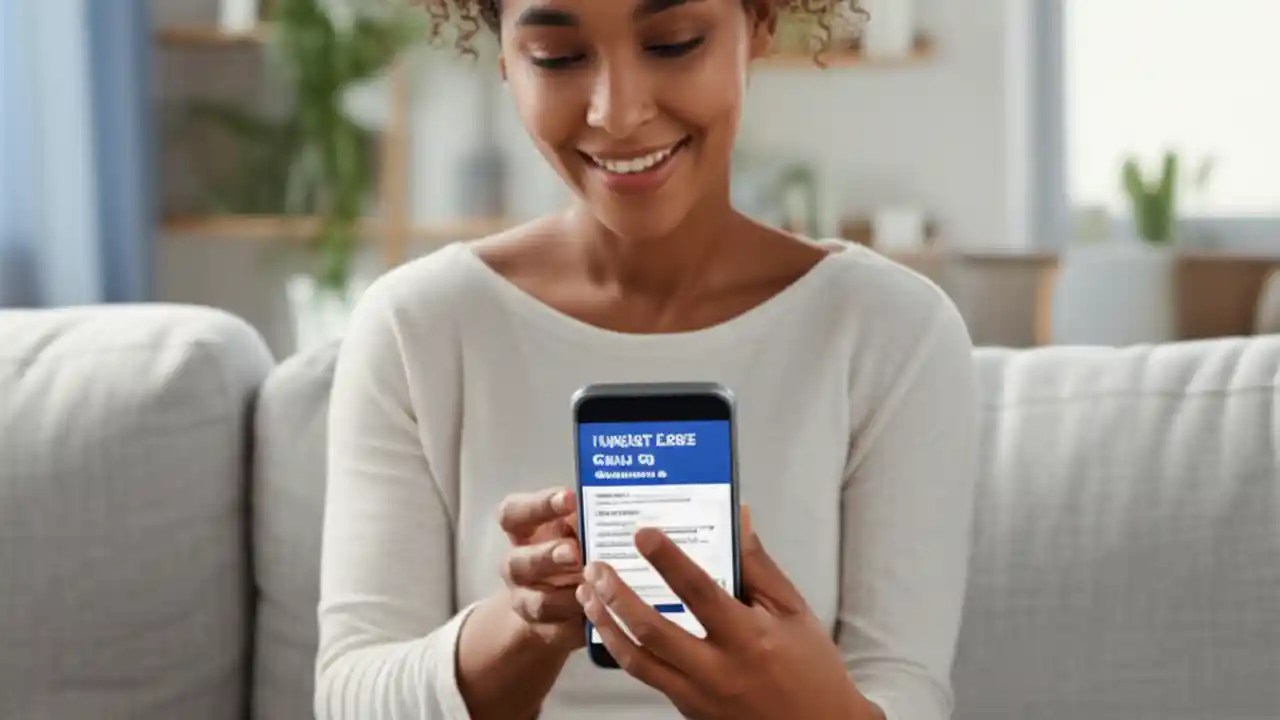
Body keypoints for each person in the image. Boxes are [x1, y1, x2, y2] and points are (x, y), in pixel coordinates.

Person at [315, 0, 977, 718]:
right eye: (558, 58)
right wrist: (524, 626)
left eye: (674, 43)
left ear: (757, 25)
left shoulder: (891, 332)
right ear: (504, 56)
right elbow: (349, 696)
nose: (618, 112)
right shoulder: (418, 328)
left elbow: (907, 690)